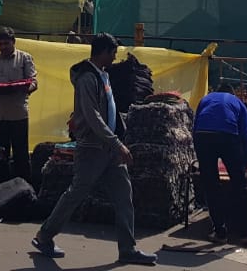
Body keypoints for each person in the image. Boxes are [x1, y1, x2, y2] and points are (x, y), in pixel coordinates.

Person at [33, 33, 157, 266]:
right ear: (103, 52)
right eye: (112, 53)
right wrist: (116, 143)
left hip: (109, 149)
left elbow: (109, 110)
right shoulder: (87, 79)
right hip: (92, 148)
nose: (114, 58)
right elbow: (92, 115)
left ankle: (128, 248)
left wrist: (118, 137)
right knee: (77, 193)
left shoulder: (104, 76)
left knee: (123, 196)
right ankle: (45, 235)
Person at [192, 83, 247, 244]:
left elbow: (195, 126)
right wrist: (244, 166)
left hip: (202, 136)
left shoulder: (205, 99)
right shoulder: (237, 102)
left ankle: (220, 231)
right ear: (233, 93)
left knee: (211, 184)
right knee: (239, 183)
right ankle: (245, 232)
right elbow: (245, 136)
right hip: (227, 135)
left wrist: (200, 157)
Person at [0, 28, 37, 181]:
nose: (3, 47)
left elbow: (34, 82)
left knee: (21, 154)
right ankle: (3, 187)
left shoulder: (25, 58)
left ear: (13, 42)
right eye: (0, 44)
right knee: (0, 153)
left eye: (6, 43)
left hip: (18, 114)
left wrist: (25, 88)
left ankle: (24, 189)